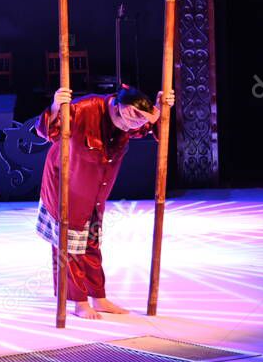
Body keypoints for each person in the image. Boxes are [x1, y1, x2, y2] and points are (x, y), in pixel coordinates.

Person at [35, 84, 175, 319]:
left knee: (90, 241)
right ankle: (80, 302)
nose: (128, 130)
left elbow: (148, 128)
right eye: (126, 125)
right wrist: (56, 106)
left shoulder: (129, 119)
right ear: (117, 110)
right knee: (70, 247)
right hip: (67, 184)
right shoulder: (83, 110)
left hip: (94, 189)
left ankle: (98, 297)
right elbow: (48, 132)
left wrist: (162, 108)